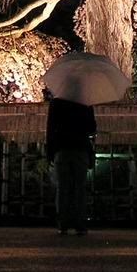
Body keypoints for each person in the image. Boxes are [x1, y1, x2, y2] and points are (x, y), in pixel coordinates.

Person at [46, 87, 96, 235]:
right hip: (80, 148)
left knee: (63, 188)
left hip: (62, 148)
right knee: (79, 188)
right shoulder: (85, 103)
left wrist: (50, 152)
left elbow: (50, 129)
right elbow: (92, 128)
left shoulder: (56, 103)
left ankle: (63, 223)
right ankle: (80, 223)